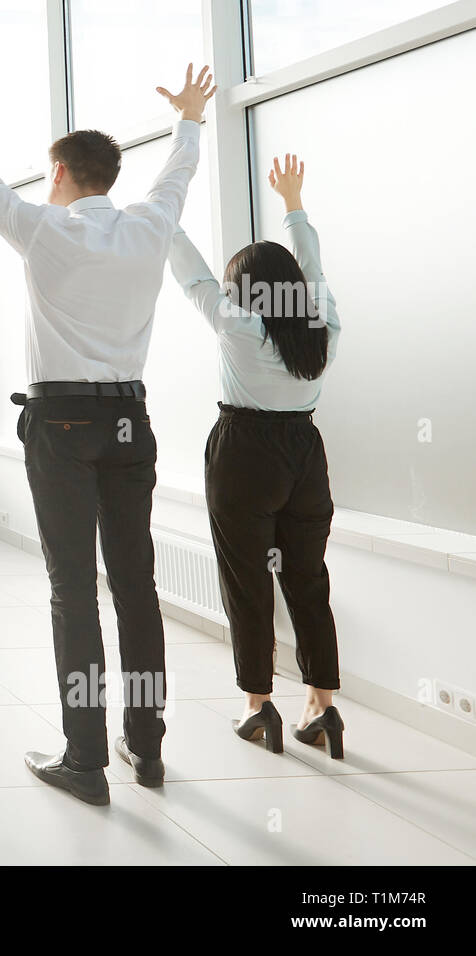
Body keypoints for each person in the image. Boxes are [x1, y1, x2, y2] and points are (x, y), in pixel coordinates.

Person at [0, 36, 216, 805]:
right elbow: (178, 172)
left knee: (74, 590)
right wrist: (194, 120)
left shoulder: (45, 228)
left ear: (62, 172)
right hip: (132, 422)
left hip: (63, 424)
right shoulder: (149, 225)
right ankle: (147, 746)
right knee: (135, 586)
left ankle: (85, 758)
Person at [168, 154, 344, 759]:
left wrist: (168, 215)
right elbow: (313, 270)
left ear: (242, 289)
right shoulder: (322, 327)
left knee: (248, 584)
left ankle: (256, 705)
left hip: (245, 452)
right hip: (306, 453)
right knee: (308, 579)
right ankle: (322, 708)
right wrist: (295, 205)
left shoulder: (240, 325)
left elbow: (192, 280)